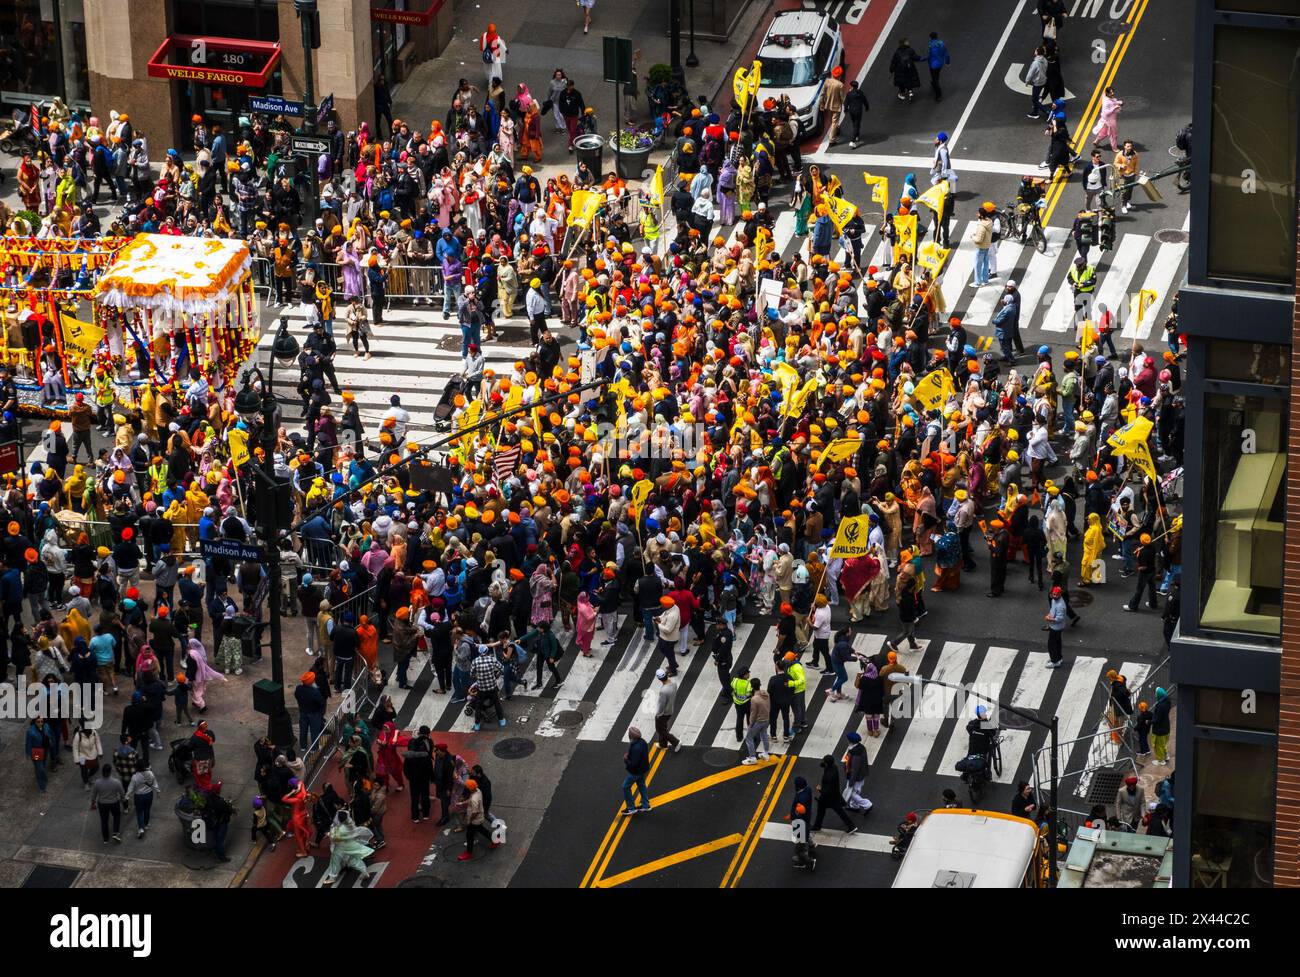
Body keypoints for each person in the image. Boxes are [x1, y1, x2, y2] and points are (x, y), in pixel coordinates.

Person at [456, 777, 498, 861]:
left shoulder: (474, 799)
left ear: (469, 788)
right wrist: (462, 803)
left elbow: (474, 812)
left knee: (469, 835)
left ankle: (468, 853)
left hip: (475, 820)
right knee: (481, 830)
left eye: (467, 787)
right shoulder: (478, 791)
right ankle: (495, 840)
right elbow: (470, 800)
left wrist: (469, 820)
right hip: (480, 818)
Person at [90, 763, 126, 844]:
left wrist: (93, 802)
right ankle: (115, 832)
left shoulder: (97, 782)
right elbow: (122, 793)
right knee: (116, 816)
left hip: (102, 804)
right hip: (114, 803)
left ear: (102, 772)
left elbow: (94, 794)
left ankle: (105, 839)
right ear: (110, 772)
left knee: (104, 820)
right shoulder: (116, 782)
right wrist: (122, 799)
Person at [621, 725, 652, 815]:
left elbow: (633, 764)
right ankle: (646, 805)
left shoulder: (636, 748)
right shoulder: (642, 742)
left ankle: (631, 808)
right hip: (643, 769)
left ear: (631, 736)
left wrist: (626, 759)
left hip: (636, 771)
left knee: (625, 786)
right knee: (641, 785)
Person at [125, 759, 160, 838]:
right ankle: (146, 824)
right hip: (149, 795)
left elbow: (131, 787)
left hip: (139, 796)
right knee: (147, 810)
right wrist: (158, 791)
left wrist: (127, 796)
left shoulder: (135, 777)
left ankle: (141, 829)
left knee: (139, 812)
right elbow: (154, 783)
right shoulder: (150, 773)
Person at [653, 668, 682, 754]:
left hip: (663, 713)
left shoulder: (663, 691)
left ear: (659, 679)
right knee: (663, 728)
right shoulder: (673, 683)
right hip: (670, 709)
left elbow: (661, 705)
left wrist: (658, 714)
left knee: (660, 730)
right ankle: (663, 744)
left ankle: (676, 742)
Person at [844, 731, 871, 811]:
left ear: (851, 741)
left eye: (848, 739)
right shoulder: (860, 747)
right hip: (861, 774)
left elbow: (855, 769)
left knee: (851, 792)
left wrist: (851, 780)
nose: (847, 740)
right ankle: (854, 806)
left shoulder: (855, 753)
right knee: (856, 791)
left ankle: (867, 804)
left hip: (855, 777)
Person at [1045, 585, 1067, 667]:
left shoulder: (1060, 606)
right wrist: (1049, 615)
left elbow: (1059, 618)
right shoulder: (1055, 600)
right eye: (1053, 594)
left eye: (1056, 594)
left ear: (1060, 594)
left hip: (1056, 627)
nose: (1054, 596)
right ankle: (1059, 658)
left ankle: (1054, 661)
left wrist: (1049, 619)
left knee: (1051, 644)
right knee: (1057, 642)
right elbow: (1052, 610)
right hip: (1054, 626)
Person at [926, 32, 951, 101]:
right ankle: (934, 83)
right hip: (940, 63)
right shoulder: (941, 43)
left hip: (932, 64)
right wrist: (947, 62)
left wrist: (923, 59)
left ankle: (938, 95)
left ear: (930, 37)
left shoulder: (930, 44)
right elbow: (946, 53)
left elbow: (929, 54)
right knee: (937, 74)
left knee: (935, 78)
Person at [844, 81, 868, 149]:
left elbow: (846, 103)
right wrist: (867, 107)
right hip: (858, 111)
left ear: (851, 86)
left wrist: (845, 110)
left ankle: (856, 135)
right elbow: (864, 100)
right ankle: (852, 140)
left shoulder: (849, 94)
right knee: (856, 125)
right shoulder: (860, 93)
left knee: (854, 123)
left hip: (851, 111)